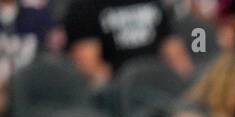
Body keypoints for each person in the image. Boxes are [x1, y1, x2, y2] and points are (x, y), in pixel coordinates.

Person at [63, 0, 193, 85]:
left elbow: (175, 53)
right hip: (115, 90)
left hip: (156, 83)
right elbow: (89, 65)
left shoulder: (153, 2)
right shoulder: (83, 5)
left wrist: (185, 84)